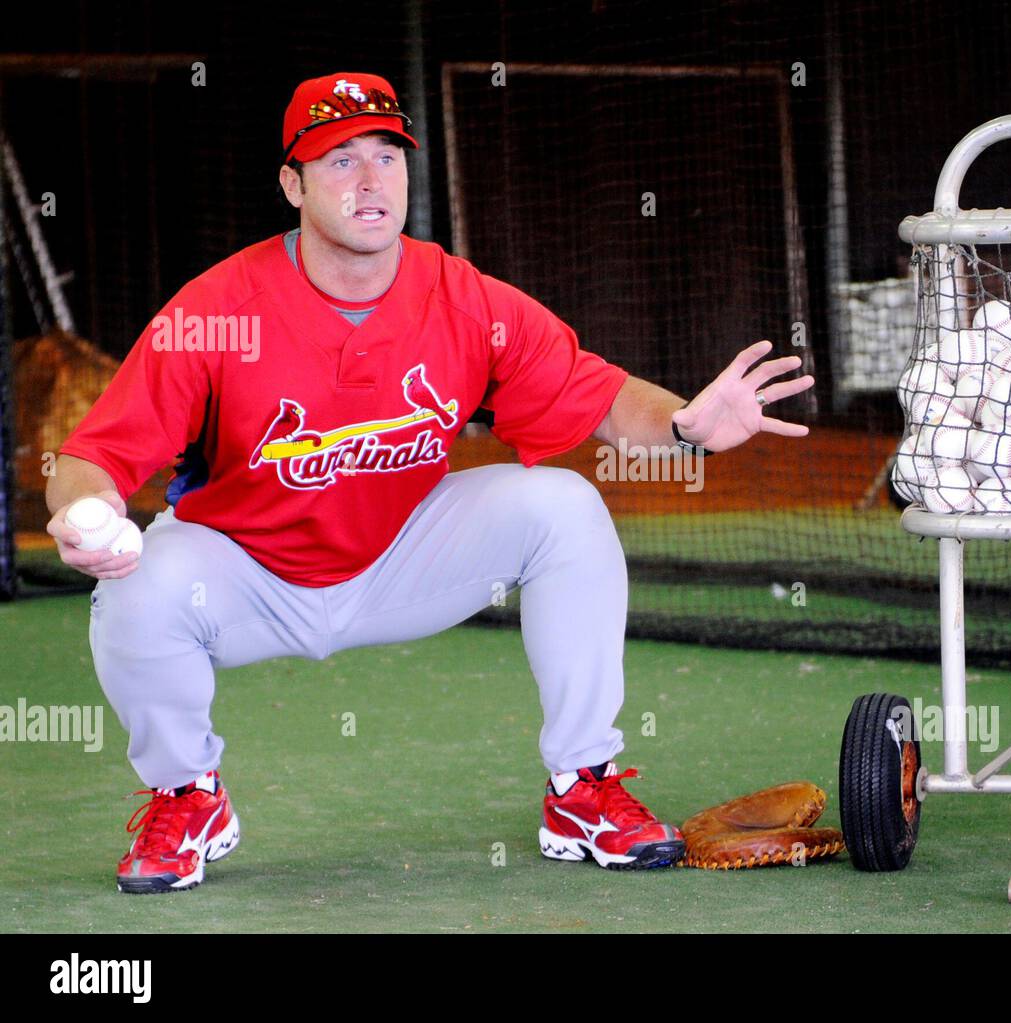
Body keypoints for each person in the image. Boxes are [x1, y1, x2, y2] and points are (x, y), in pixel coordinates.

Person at [45, 72, 814, 893]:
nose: (370, 179)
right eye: (338, 160)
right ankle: (187, 793)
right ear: (291, 184)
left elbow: (602, 394)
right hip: (249, 578)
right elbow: (89, 456)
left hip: (401, 561)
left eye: (386, 155)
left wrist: (686, 426)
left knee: (563, 507)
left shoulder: (463, 298)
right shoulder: (219, 310)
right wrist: (85, 513)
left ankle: (583, 786)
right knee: (139, 580)